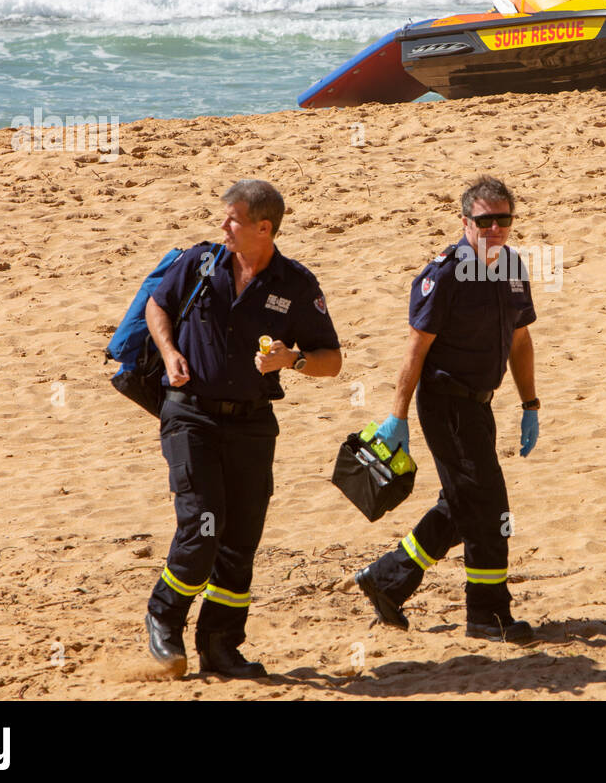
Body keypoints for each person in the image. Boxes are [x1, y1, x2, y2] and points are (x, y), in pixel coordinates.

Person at [143, 179, 341, 678]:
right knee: (203, 524)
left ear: (263, 227)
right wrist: (169, 354)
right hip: (190, 413)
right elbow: (156, 305)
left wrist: (291, 360)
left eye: (232, 218)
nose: (222, 225)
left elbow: (332, 361)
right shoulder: (200, 261)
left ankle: (220, 645)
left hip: (253, 424)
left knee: (241, 538)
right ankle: (163, 618)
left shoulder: (295, 284)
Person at [354, 175, 540, 644]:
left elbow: (520, 340)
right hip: (445, 402)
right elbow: (415, 350)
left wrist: (530, 403)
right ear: (465, 222)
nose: (494, 228)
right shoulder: (447, 273)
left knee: (463, 504)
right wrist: (396, 418)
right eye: (484, 220)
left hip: (481, 405)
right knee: (489, 507)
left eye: (504, 219)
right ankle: (488, 615)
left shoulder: (513, 267)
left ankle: (388, 577)